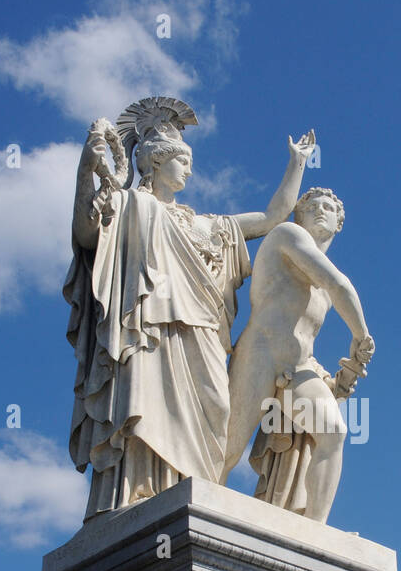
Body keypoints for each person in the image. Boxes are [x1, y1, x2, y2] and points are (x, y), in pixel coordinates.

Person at [64, 96, 315, 517]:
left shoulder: (212, 226)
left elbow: (273, 218)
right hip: (150, 330)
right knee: (145, 408)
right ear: (156, 162)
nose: (190, 169)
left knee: (215, 411)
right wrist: (87, 172)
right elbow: (88, 235)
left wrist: (297, 164)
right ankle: (136, 494)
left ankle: (191, 497)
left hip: (205, 337)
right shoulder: (132, 206)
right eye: (182, 160)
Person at [223, 187, 373, 524]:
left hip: (300, 365)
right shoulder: (286, 235)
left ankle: (315, 531)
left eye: (329, 208)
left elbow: (308, 330)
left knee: (333, 432)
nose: (320, 210)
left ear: (338, 224)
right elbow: (339, 284)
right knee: (229, 447)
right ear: (298, 215)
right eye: (311, 206)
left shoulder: (326, 290)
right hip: (260, 351)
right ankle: (203, 505)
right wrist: (361, 336)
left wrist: (339, 381)